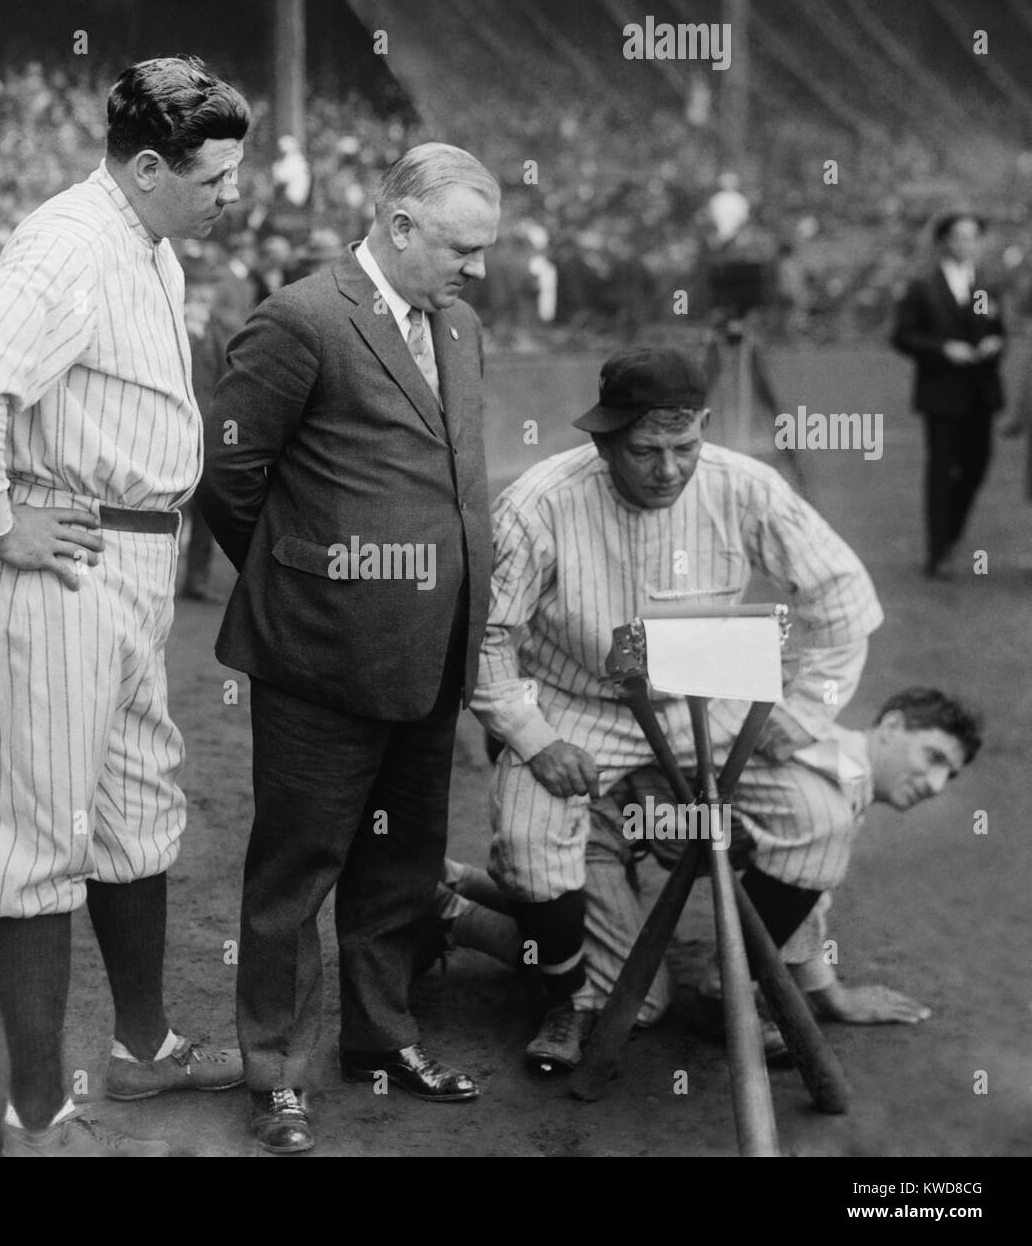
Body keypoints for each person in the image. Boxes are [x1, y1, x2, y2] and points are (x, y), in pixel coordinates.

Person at [0, 55, 251, 1159]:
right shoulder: (68, 240)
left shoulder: (146, 243)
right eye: (213, 177)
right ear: (148, 165)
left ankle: (141, 1051)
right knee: (33, 832)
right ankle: (34, 1117)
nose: (231, 195)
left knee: (132, 806)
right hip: (52, 559)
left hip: (128, 559)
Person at [198, 142, 501, 1154]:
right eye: (462, 245)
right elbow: (230, 479)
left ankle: (381, 1040)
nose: (477, 266)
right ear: (399, 224)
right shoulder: (302, 319)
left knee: (402, 866)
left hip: (430, 652)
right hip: (322, 659)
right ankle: (275, 1072)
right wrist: (310, 590)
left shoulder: (457, 326)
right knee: (297, 870)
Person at [470, 345, 884, 1074]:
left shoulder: (744, 486)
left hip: (712, 700)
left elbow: (844, 598)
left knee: (819, 816)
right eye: (644, 450)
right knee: (532, 834)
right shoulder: (540, 503)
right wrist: (532, 737)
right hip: (579, 701)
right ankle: (564, 995)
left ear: (703, 428)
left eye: (684, 445)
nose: (668, 470)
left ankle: (737, 983)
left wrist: (809, 709)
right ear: (602, 441)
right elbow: (485, 636)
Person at [427, 688, 981, 1061]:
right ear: (892, 726)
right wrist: (823, 996)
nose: (934, 784)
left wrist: (828, 994)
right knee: (633, 1001)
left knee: (599, 950)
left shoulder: (843, 779)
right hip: (587, 822)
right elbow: (803, 894)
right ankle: (451, 914)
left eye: (948, 776)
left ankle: (456, 880)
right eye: (932, 757)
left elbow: (804, 896)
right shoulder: (823, 765)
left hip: (629, 829)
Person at [891, 210, 1005, 580]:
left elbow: (995, 327)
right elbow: (903, 335)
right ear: (945, 241)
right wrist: (942, 349)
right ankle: (937, 550)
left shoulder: (984, 285)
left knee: (977, 465)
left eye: (973, 237)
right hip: (941, 391)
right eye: (959, 237)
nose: (966, 244)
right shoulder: (924, 287)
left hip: (979, 392)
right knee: (941, 469)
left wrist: (992, 343)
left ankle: (952, 533)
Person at [178, 259, 227, 601]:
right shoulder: (173, 323)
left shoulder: (213, 324)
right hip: (175, 426)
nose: (204, 293)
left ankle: (197, 578)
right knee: (168, 505)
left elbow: (224, 370)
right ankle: (162, 577)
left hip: (206, 427)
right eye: (199, 286)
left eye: (209, 286)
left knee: (207, 506)